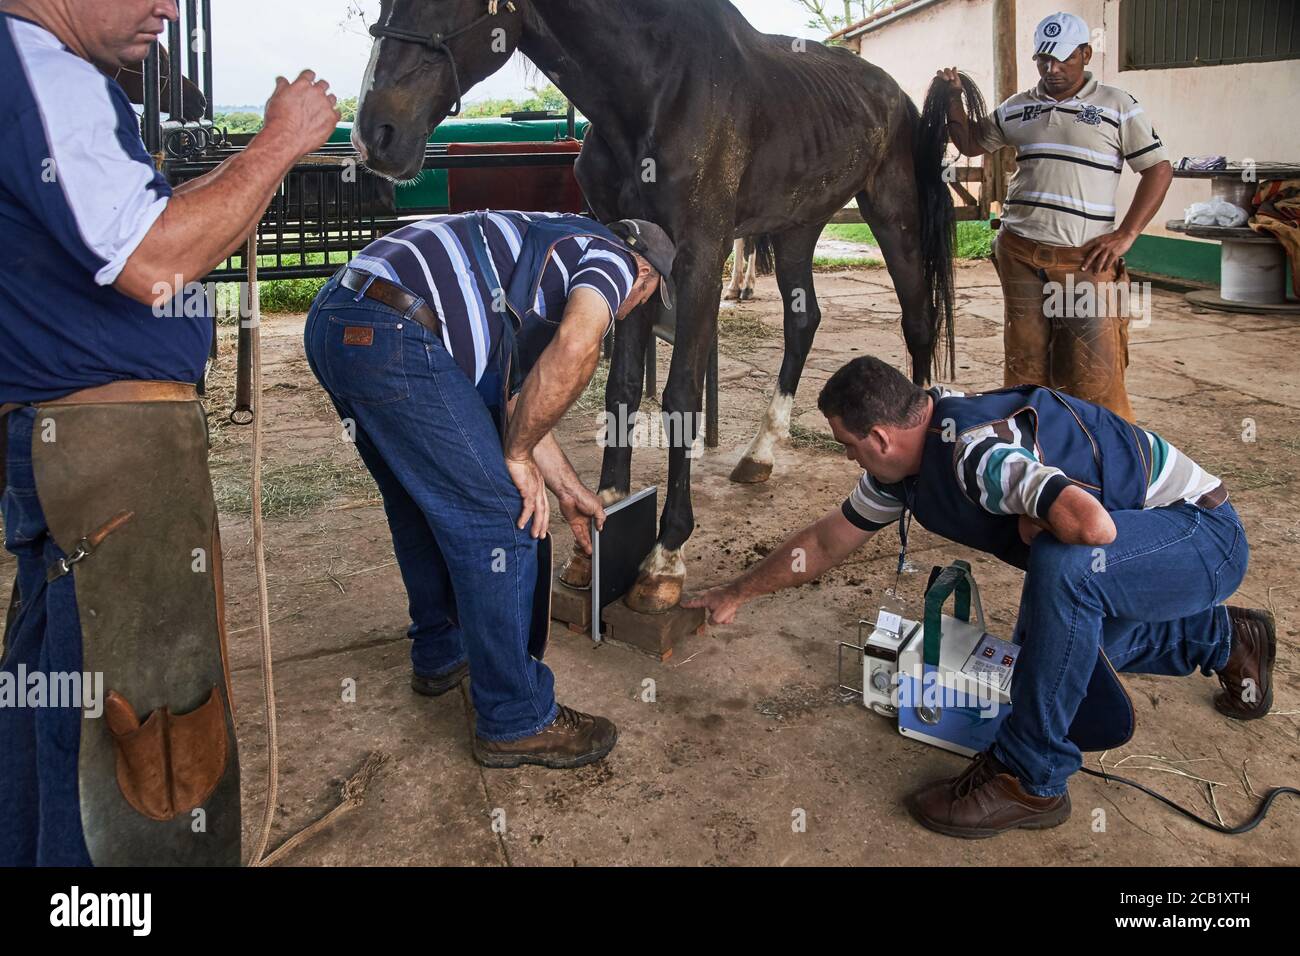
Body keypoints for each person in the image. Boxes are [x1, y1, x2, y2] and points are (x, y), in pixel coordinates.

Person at [0, 0, 339, 865]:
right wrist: (279, 144)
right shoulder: (48, 76)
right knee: (134, 729)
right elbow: (153, 259)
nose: (162, 8)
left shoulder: (33, 73)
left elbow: (129, 225)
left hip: (73, 447)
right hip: (112, 457)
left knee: (58, 699)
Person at [686, 356, 1274, 839]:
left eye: (848, 444)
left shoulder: (974, 454)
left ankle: (1030, 779)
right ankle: (1223, 638)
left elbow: (1092, 528)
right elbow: (823, 540)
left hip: (1199, 535)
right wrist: (735, 591)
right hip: (1148, 551)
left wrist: (1037, 526)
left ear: (883, 436)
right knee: (1049, 658)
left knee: (1064, 571)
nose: (847, 457)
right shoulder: (912, 458)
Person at [303, 210, 675, 769]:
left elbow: (516, 402)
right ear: (646, 277)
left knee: (420, 501)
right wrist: (517, 457)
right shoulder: (614, 258)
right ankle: (517, 718)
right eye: (642, 301)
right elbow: (576, 349)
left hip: (341, 317)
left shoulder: (536, 254)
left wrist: (569, 488)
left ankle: (441, 650)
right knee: (503, 516)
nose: (632, 310)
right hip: (397, 332)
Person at [939, 11, 1174, 422]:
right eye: (1044, 59)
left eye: (1064, 58)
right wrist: (954, 98)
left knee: (1094, 370)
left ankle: (1103, 451)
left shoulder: (1118, 105)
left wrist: (1127, 234)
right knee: (1025, 358)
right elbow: (973, 142)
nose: (1053, 68)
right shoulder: (1018, 108)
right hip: (1019, 253)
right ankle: (1032, 442)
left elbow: (1158, 169)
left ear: (1086, 53)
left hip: (1085, 260)